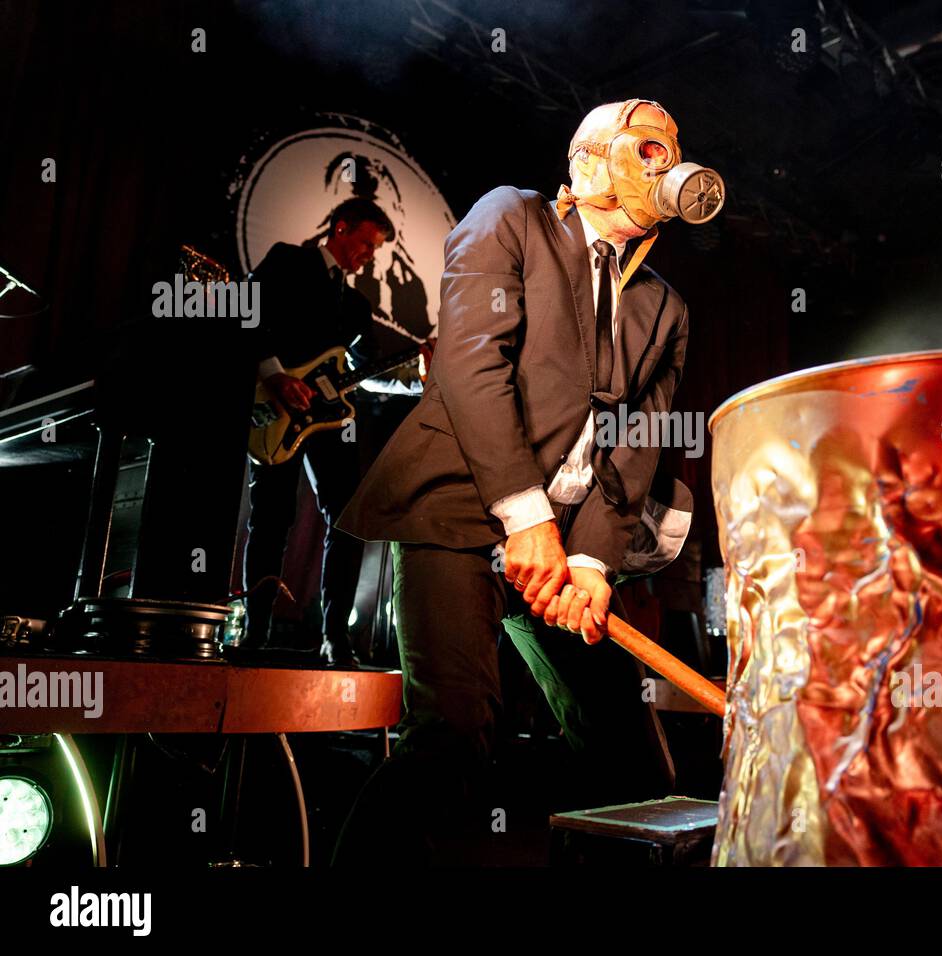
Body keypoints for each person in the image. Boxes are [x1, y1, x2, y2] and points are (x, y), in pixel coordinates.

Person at [332, 99, 723, 862]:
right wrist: (526, 519)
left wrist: (590, 561)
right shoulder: (511, 217)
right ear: (586, 163)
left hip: (566, 547)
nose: (666, 168)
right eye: (646, 150)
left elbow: (638, 447)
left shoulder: (664, 307)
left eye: (671, 151)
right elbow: (473, 368)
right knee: (452, 735)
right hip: (462, 513)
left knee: (622, 745)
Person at [238, 198, 394, 668]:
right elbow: (246, 312)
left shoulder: (357, 305)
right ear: (341, 228)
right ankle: (254, 631)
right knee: (271, 518)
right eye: (367, 242)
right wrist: (273, 374)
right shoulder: (289, 260)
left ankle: (335, 639)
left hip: (329, 420)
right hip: (275, 406)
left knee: (347, 518)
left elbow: (369, 372)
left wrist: (417, 369)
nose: (370, 254)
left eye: (377, 248)